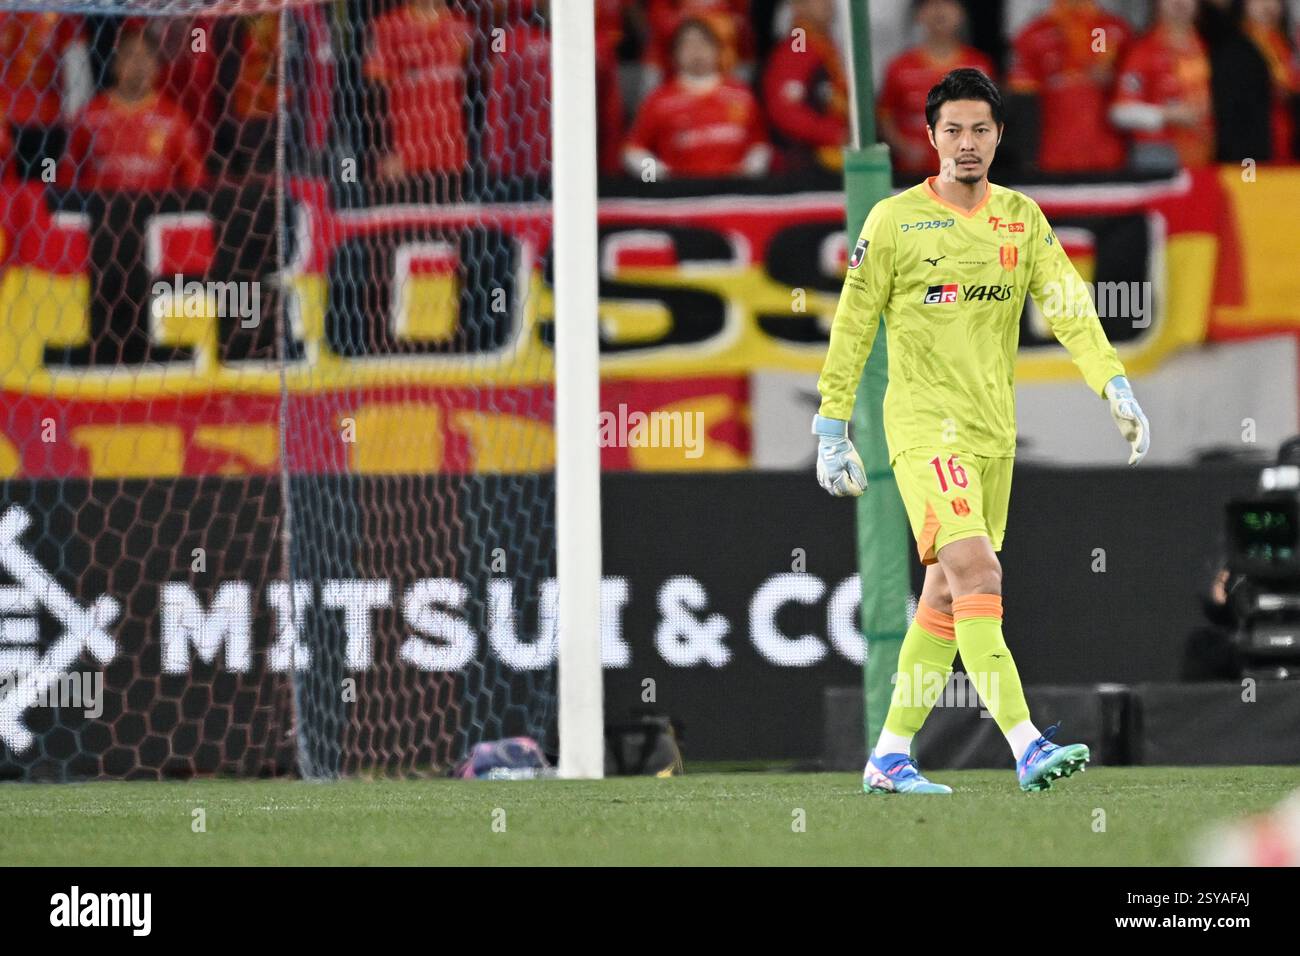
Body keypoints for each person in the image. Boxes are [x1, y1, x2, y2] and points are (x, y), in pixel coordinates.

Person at [811, 68, 1151, 794]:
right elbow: (852, 324)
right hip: (923, 429)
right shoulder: (893, 221)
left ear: (999, 137)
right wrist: (832, 423)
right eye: (953, 130)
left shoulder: (1020, 219)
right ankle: (1026, 744)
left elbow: (1069, 307)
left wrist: (1112, 380)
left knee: (941, 595)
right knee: (978, 572)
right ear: (930, 137)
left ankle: (889, 755)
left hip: (993, 433)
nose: (967, 144)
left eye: (981, 130)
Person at [623, 17, 770, 179]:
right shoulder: (658, 100)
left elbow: (760, 145)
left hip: (733, 192)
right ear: (674, 55)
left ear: (717, 50)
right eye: (688, 45)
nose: (697, 51)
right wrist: (659, 177)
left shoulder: (742, 94)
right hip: (681, 194)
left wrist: (751, 174)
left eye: (703, 44)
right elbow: (633, 151)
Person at [62, 27, 204, 192]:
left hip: (158, 210)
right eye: (131, 55)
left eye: (148, 56)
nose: (140, 64)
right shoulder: (90, 114)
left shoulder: (174, 116)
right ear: (115, 64)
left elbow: (194, 174)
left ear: (158, 66)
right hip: (100, 211)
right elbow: (67, 172)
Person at [1007, 0, 1132, 173]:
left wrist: (1111, 75)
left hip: (1109, 156)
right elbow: (1023, 106)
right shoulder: (1033, 35)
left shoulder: (1112, 29)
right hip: (1052, 158)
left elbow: (1135, 90)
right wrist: (1027, 160)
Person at [878, 0, 996, 177]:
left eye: (949, 3)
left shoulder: (979, 65)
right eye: (930, 3)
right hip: (912, 176)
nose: (939, 10)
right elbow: (884, 116)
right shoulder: (899, 67)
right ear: (918, 14)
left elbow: (992, 118)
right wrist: (904, 148)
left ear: (962, 14)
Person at [1111, 0, 1214, 170]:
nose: (1180, 3)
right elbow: (1120, 112)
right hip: (1158, 151)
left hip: (1206, 151)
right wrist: (1167, 115)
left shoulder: (1209, 49)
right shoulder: (1143, 50)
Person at [761, 0, 848, 173]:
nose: (827, 4)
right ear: (797, 6)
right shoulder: (799, 43)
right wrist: (834, 133)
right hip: (807, 164)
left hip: (830, 157)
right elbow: (786, 111)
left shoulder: (823, 43)